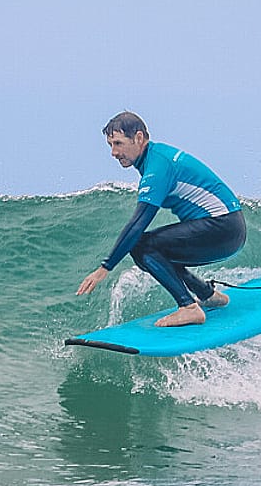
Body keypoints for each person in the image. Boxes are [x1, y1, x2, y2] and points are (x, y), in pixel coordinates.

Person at [76, 111, 247, 327]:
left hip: (222, 228)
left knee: (140, 245)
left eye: (118, 143)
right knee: (158, 249)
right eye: (110, 144)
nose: (113, 152)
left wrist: (105, 268)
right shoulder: (155, 158)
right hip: (229, 228)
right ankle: (206, 294)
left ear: (139, 138)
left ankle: (188, 307)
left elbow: (138, 225)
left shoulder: (158, 166)